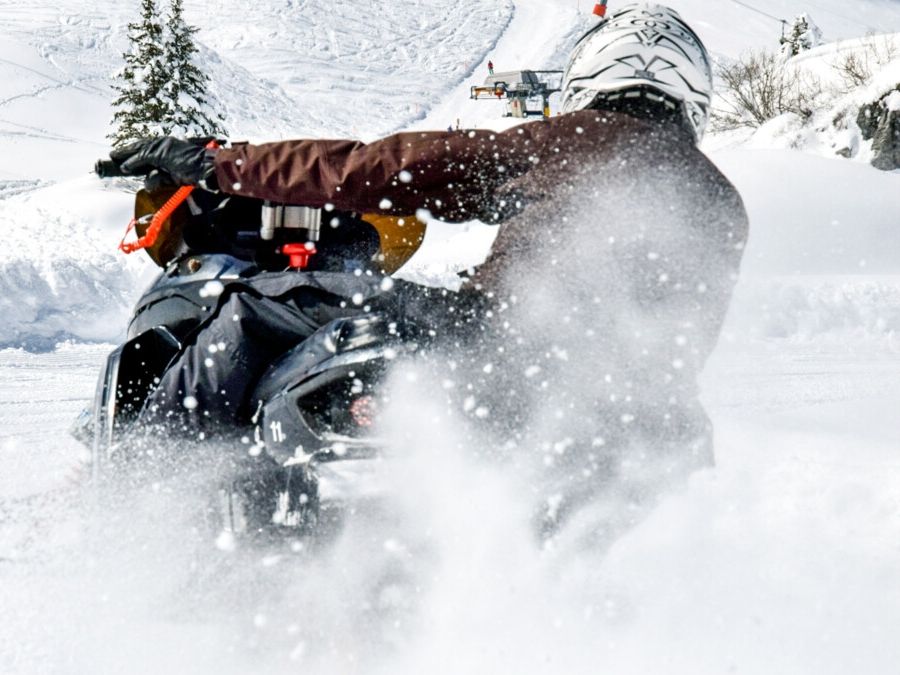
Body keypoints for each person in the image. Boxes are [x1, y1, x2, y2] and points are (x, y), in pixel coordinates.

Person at [111, 4, 747, 531]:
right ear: (691, 96)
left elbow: (371, 170)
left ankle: (140, 498)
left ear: (593, 77)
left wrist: (222, 164)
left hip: (507, 351)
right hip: (654, 420)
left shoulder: (569, 141)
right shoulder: (723, 203)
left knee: (248, 308)